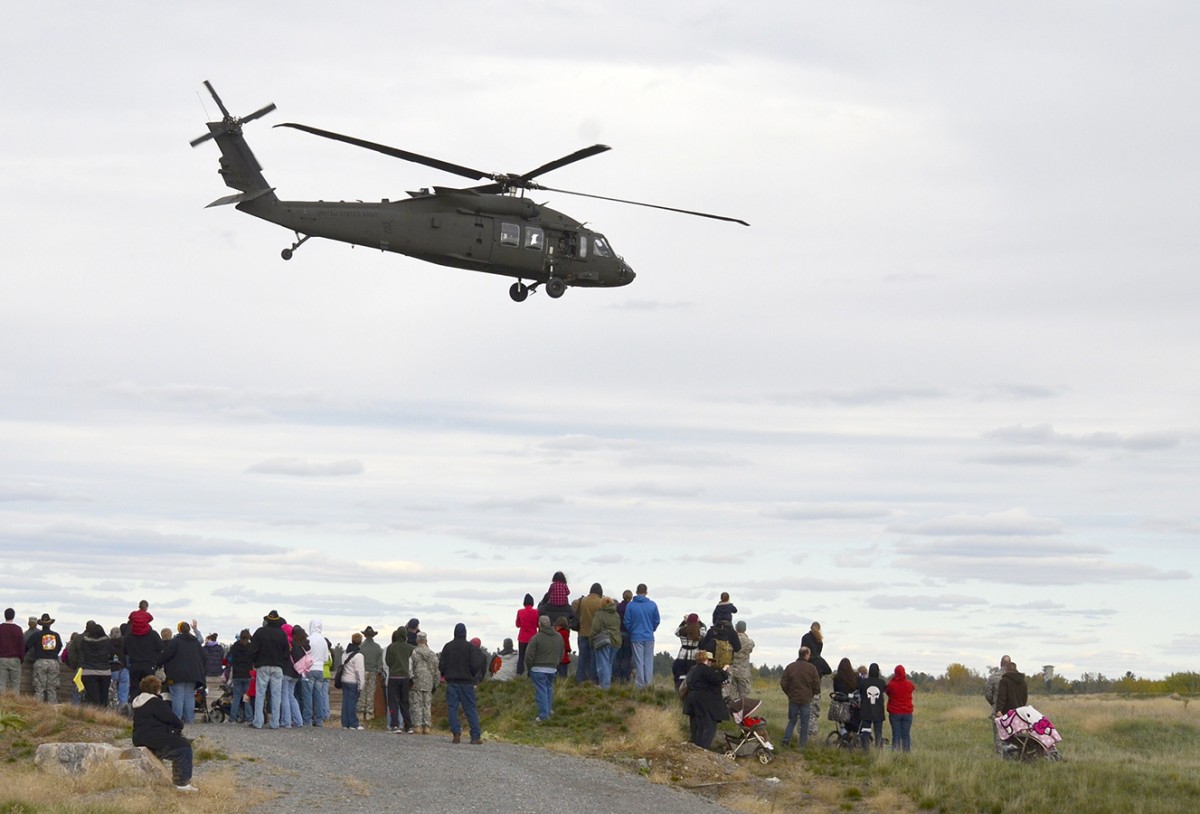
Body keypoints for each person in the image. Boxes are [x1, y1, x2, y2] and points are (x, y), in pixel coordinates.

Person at [131, 675, 197, 792]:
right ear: (157, 689)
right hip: (154, 739)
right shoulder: (156, 702)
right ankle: (182, 783)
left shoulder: (138, 703)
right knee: (183, 748)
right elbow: (175, 721)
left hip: (139, 738)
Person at [439, 622, 485, 744]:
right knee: (470, 708)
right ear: (465, 633)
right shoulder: (470, 647)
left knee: (452, 708)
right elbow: (475, 665)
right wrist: (471, 674)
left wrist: (447, 673)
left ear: (454, 632)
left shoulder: (448, 647)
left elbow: (441, 666)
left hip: (452, 682)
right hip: (467, 683)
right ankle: (475, 736)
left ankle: (456, 734)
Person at [249, 610, 289, 729]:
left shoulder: (260, 632)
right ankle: (275, 722)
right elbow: (286, 653)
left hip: (263, 666)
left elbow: (253, 650)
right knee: (276, 695)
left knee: (260, 694)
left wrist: (255, 662)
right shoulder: (282, 635)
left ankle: (258, 722)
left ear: (267, 620)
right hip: (277, 667)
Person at [158, 621, 204, 723]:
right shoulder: (195, 642)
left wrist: (159, 663)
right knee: (189, 696)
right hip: (193, 674)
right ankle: (189, 720)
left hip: (176, 674)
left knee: (177, 696)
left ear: (179, 630)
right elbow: (203, 656)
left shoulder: (175, 641)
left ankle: (177, 720)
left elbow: (166, 655)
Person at [682, 650, 730, 749]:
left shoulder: (693, 669)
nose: (711, 663)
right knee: (709, 726)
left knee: (697, 726)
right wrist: (724, 670)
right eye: (710, 661)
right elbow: (717, 677)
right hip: (704, 702)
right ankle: (702, 749)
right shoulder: (704, 669)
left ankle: (695, 747)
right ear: (706, 659)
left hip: (692, 701)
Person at [780, 646, 821, 748]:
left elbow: (783, 683)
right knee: (804, 723)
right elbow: (817, 685)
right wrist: (811, 694)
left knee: (792, 720)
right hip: (806, 699)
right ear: (806, 655)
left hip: (793, 698)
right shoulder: (811, 668)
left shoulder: (790, 667)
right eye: (809, 654)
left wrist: (789, 693)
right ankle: (802, 745)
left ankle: (786, 740)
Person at [525, 616, 564, 722]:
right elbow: (561, 652)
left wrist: (529, 668)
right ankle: (548, 710)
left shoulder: (536, 638)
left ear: (539, 625)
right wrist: (556, 663)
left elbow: (529, 655)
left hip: (537, 668)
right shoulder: (559, 637)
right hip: (552, 668)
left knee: (541, 691)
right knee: (549, 689)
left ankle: (543, 716)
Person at [623, 584, 660, 689]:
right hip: (649, 636)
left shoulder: (630, 605)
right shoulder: (652, 605)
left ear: (636, 591)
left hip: (636, 636)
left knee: (639, 661)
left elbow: (627, 621)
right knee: (648, 662)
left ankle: (640, 685)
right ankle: (648, 684)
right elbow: (657, 620)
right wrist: (651, 628)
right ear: (646, 592)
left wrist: (632, 630)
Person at [25, 614, 63, 703]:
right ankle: (52, 709)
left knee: (39, 688)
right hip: (53, 662)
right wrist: (53, 654)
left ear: (41, 624)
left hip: (40, 661)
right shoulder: (56, 635)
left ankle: (39, 708)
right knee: (52, 688)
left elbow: (27, 646)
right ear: (50, 624)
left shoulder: (36, 635)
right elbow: (60, 647)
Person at [573, 583, 605, 684]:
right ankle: (592, 679)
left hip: (582, 632)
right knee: (594, 658)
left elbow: (574, 606)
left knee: (582, 657)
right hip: (596, 634)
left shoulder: (582, 601)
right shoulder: (601, 602)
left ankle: (580, 678)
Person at [385, 627, 415, 733]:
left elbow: (388, 662)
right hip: (405, 677)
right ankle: (409, 726)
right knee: (405, 702)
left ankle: (395, 725)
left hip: (393, 677)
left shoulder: (391, 647)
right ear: (405, 635)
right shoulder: (410, 648)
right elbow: (413, 661)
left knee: (393, 702)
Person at [124, 616, 163, 697]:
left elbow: (124, 650)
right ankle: (149, 707)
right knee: (150, 688)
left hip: (135, 665)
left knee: (134, 689)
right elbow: (160, 647)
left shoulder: (129, 636)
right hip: (149, 664)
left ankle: (135, 706)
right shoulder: (153, 634)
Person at [79, 620, 115, 706]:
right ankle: (103, 716)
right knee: (103, 698)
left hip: (88, 671)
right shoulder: (107, 641)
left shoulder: (85, 641)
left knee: (93, 699)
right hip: (104, 671)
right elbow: (112, 653)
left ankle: (94, 715)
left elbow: (81, 651)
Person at [410, 632, 438, 734]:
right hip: (428, 683)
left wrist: (411, 680)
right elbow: (436, 671)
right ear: (426, 640)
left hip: (417, 682)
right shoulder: (432, 654)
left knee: (416, 704)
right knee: (427, 705)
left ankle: (417, 726)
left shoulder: (414, 653)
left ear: (417, 640)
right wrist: (435, 684)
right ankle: (426, 727)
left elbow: (410, 669)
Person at [590, 597, 621, 689]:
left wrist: (591, 641)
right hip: (616, 641)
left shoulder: (600, 615)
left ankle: (605, 685)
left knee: (602, 664)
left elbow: (595, 630)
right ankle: (607, 684)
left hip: (604, 641)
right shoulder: (616, 615)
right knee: (609, 663)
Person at [306, 619, 331, 727]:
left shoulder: (309, 639)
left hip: (310, 668)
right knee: (319, 695)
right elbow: (326, 658)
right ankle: (319, 719)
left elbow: (306, 654)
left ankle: (308, 719)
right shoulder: (323, 641)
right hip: (320, 669)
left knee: (308, 695)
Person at [226, 629, 253, 724]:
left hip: (237, 674)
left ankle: (232, 718)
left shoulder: (234, 646)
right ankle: (249, 718)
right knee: (247, 697)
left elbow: (228, 659)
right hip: (247, 674)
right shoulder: (250, 647)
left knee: (236, 697)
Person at [673, 613, 707, 690]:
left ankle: (679, 690)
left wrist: (684, 621)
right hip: (694, 656)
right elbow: (704, 632)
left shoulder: (682, 631)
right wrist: (700, 622)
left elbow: (676, 631)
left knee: (681, 676)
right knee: (691, 676)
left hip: (682, 655)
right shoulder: (699, 632)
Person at [886, 664, 915, 752]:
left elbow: (887, 691)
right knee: (906, 735)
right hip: (907, 713)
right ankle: (906, 752)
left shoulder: (891, 685)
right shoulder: (909, 684)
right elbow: (913, 688)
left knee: (896, 734)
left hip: (895, 713)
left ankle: (896, 752)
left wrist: (894, 679)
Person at [357, 626, 384, 722]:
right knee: (371, 692)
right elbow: (380, 662)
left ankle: (360, 712)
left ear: (364, 635)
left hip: (363, 671)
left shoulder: (360, 647)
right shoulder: (377, 647)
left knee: (362, 691)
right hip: (373, 671)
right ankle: (369, 713)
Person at [857, 663, 887, 748]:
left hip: (866, 711)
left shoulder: (864, 682)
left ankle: (865, 749)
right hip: (878, 712)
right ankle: (878, 748)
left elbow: (859, 690)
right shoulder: (882, 683)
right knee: (878, 732)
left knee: (865, 731)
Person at [340, 633, 365, 730]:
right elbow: (359, 671)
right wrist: (361, 685)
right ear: (360, 642)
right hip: (353, 681)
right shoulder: (359, 656)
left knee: (345, 702)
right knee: (352, 703)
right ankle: (353, 723)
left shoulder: (345, 653)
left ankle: (345, 723)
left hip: (344, 680)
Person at [0, 608, 25, 693]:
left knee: (1, 684)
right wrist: (21, 658)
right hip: (15, 659)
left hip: (2, 659)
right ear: (13, 616)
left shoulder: (0, 628)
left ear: (5, 616)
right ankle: (14, 703)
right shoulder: (18, 629)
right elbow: (21, 645)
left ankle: (2, 703)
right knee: (15, 685)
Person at [729, 620, 755, 701]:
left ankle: (731, 711)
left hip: (731, 670)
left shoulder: (731, 640)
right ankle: (742, 712)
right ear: (745, 629)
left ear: (736, 628)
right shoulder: (750, 642)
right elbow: (750, 648)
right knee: (744, 696)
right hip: (743, 671)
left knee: (731, 695)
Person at [515, 594, 539, 676]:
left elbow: (518, 624)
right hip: (533, 637)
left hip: (522, 637)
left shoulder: (520, 612)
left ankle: (519, 673)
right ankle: (530, 673)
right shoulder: (536, 612)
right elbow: (537, 625)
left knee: (521, 656)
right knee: (532, 657)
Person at [613, 589, 634, 684]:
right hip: (628, 633)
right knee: (627, 657)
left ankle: (617, 676)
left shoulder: (619, 607)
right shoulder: (632, 607)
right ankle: (626, 677)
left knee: (618, 657)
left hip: (618, 633)